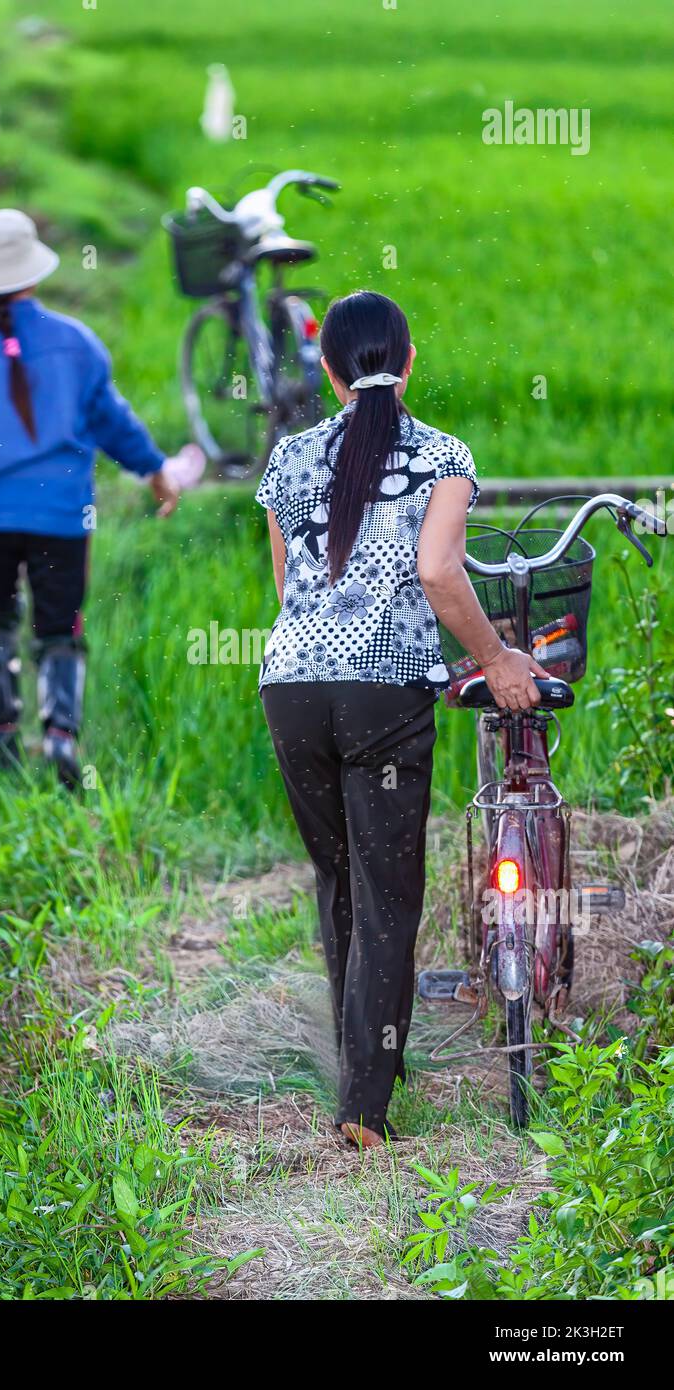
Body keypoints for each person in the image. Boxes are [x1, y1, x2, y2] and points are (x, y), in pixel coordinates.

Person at [256, 290, 547, 1149]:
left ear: (328, 368)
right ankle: (364, 1114)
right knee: (386, 897)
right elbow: (437, 572)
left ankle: (368, 1068)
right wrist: (495, 659)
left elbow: (287, 593)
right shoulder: (441, 456)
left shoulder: (290, 458)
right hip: (383, 691)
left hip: (292, 686)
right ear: (410, 360)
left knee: (340, 880)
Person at [0, 208, 182, 786]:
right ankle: (60, 739)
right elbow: (112, 422)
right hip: (61, 515)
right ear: (34, 272)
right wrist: (155, 471)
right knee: (59, 627)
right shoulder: (78, 343)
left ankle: (1, 740)